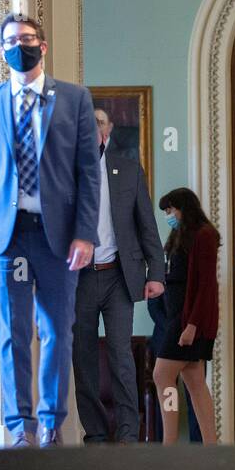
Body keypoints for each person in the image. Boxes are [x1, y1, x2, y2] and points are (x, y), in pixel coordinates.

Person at [0, 12, 100, 448]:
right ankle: (20, 426)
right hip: (6, 235)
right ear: (3, 52)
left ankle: (51, 425)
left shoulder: (74, 99)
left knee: (58, 330)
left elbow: (87, 173)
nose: (17, 45)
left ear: (42, 46)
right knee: (12, 331)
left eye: (25, 38)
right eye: (10, 41)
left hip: (57, 236)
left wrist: (86, 233)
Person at [71, 99, 166, 444]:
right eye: (88, 123)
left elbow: (147, 227)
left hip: (117, 277)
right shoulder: (66, 172)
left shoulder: (127, 170)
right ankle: (95, 433)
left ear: (107, 131)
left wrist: (156, 273)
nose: (94, 128)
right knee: (83, 358)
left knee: (121, 355)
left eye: (99, 122)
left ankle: (128, 434)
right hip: (79, 278)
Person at [151, 188, 219, 445]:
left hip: (187, 320)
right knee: (195, 382)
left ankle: (169, 443)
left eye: (170, 210)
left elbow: (205, 286)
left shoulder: (204, 235)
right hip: (175, 317)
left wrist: (191, 325)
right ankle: (211, 444)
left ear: (184, 207)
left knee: (161, 375)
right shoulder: (180, 235)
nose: (169, 215)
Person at [147, 293, 202, 442]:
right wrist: (173, 332)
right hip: (164, 340)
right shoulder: (159, 271)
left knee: (195, 393)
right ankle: (165, 443)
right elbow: (153, 308)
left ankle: (198, 444)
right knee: (166, 392)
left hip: (191, 338)